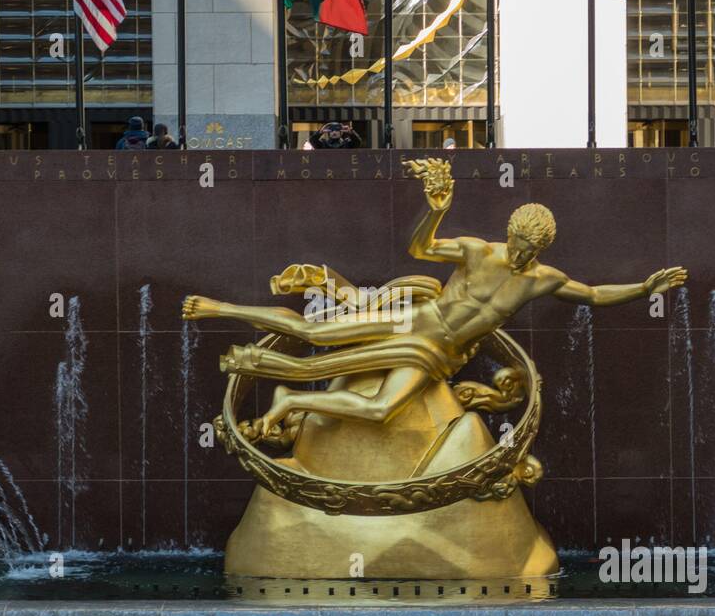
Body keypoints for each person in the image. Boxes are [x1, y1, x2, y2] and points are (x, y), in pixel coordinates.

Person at [182, 159, 686, 435]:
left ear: (542, 249)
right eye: (515, 242)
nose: (517, 253)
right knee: (314, 330)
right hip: (413, 321)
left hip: (438, 354)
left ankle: (290, 399)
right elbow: (420, 247)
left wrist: (644, 288)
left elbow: (595, 295)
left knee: (382, 410)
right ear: (507, 233)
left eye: (528, 249)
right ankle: (220, 308)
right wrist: (436, 209)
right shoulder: (476, 250)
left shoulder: (543, 279)